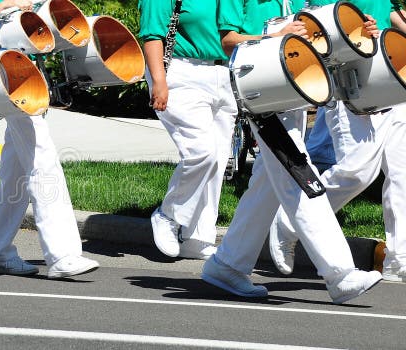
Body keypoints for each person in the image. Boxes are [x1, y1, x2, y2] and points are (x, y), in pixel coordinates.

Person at [201, 0, 383, 304]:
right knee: (299, 178)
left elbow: (324, 39)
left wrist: (358, 32)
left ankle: (228, 265)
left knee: (266, 187)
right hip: (263, 95)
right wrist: (276, 37)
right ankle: (340, 274)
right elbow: (228, 42)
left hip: (294, 93)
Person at [0, 0, 99, 278]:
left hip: (31, 81)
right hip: (4, 80)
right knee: (43, 162)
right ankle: (62, 255)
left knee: (16, 174)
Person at [269, 0, 406, 283]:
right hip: (349, 80)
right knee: (357, 171)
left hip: (390, 74)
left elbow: (389, 12)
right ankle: (292, 219)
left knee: (403, 174)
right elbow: (310, 23)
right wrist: (355, 29)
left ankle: (399, 260)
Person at [139, 0, 236, 260]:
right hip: (182, 72)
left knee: (217, 161)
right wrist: (159, 81)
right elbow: (152, 35)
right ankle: (168, 215)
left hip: (224, 74)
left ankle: (198, 237)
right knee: (201, 152)